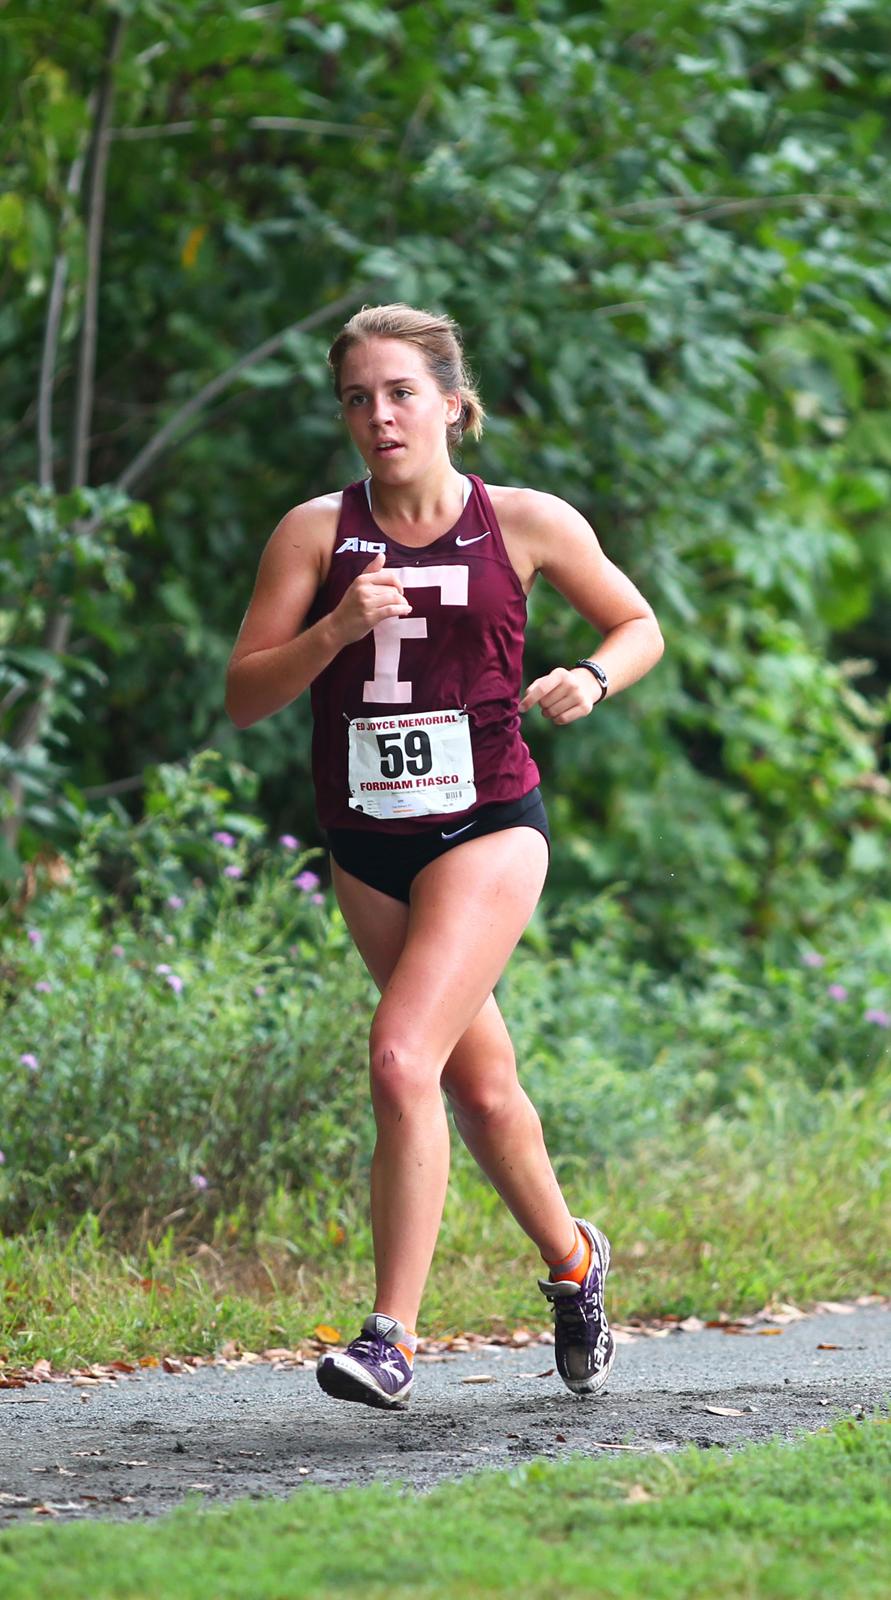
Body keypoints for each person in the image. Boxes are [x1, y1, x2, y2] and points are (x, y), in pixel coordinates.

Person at [225, 303, 664, 1410]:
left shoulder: (521, 521)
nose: (380, 415)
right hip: (367, 842)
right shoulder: (315, 533)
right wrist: (331, 631)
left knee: (397, 1057)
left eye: (402, 392)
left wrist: (594, 677)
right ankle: (574, 1263)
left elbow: (640, 622)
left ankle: (390, 1336)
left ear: (453, 407)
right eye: (359, 398)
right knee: (481, 1083)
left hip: (487, 825)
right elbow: (243, 697)